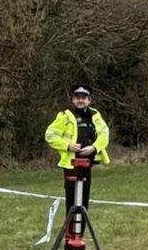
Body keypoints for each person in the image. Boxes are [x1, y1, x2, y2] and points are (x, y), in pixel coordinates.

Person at [44, 87, 111, 217]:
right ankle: (70, 230)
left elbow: (104, 134)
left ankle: (81, 229)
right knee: (71, 201)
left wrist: (94, 147)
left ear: (89, 100)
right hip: (71, 164)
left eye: (83, 98)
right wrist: (68, 146)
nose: (80, 100)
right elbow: (50, 135)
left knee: (84, 202)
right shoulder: (65, 115)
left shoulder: (95, 115)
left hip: (87, 163)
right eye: (77, 98)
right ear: (73, 100)